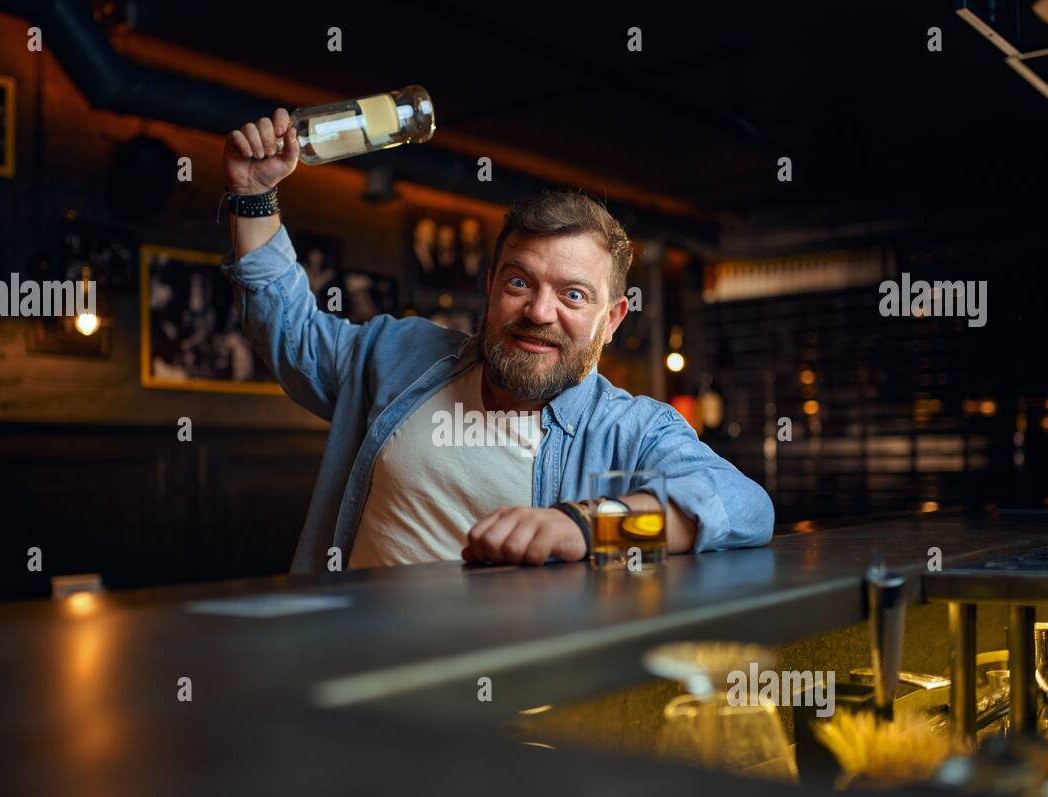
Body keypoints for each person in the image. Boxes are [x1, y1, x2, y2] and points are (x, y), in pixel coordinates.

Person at [221, 111, 774, 572]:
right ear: (490, 287)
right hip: (345, 670)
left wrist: (584, 524)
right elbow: (288, 335)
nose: (538, 311)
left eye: (574, 296)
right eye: (519, 282)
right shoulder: (399, 353)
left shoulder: (632, 429)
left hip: (507, 693)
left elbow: (745, 507)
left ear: (613, 320)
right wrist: (253, 196)